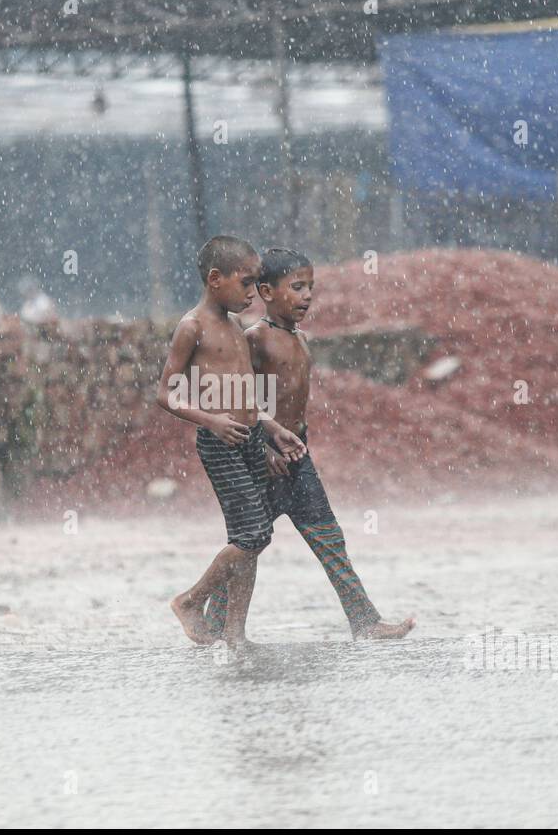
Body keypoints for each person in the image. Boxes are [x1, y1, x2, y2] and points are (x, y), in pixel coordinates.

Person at [201, 249, 417, 640]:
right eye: (297, 287)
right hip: (264, 458)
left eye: (310, 288)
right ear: (266, 291)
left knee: (329, 537)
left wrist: (294, 440)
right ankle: (215, 622)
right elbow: (239, 399)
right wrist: (263, 447)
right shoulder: (254, 339)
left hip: (297, 454)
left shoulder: (299, 338)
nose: (307, 296)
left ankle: (365, 622)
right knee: (248, 545)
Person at [156, 236, 306, 651]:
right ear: (215, 279)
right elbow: (165, 394)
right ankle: (190, 601)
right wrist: (211, 421)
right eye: (246, 284)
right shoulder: (192, 327)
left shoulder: (237, 327)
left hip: (251, 440)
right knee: (253, 534)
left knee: (250, 540)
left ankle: (235, 634)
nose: (252, 294)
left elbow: (247, 396)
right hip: (219, 444)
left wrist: (271, 431)